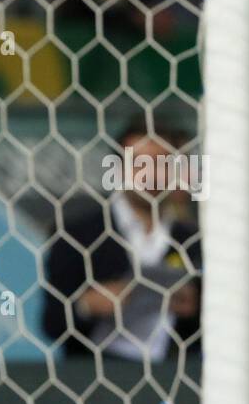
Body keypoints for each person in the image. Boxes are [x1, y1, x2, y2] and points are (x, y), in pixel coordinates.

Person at [42, 120, 201, 360]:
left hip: (174, 378)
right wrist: (86, 306)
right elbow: (51, 323)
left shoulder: (194, 239)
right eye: (139, 164)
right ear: (118, 170)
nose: (151, 175)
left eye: (162, 164)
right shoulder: (77, 234)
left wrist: (195, 306)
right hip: (96, 378)